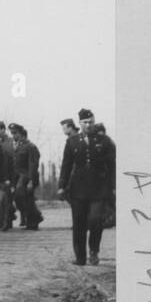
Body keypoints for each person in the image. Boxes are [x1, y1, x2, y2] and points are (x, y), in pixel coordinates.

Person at [57, 109, 110, 265]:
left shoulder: (104, 141)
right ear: (79, 124)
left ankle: (94, 250)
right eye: (85, 122)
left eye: (91, 122)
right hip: (78, 189)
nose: (88, 125)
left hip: (99, 189)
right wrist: (62, 185)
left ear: (94, 122)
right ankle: (80, 257)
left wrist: (113, 187)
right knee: (79, 223)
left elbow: (112, 166)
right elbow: (66, 166)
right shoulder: (72, 142)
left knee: (95, 220)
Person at [9, 124, 43, 230]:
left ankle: (34, 220)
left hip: (27, 177)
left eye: (15, 133)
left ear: (21, 133)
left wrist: (31, 181)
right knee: (21, 199)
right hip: (18, 178)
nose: (13, 135)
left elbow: (33, 165)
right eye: (12, 133)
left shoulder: (30, 147)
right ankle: (35, 218)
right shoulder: (17, 146)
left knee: (25, 198)